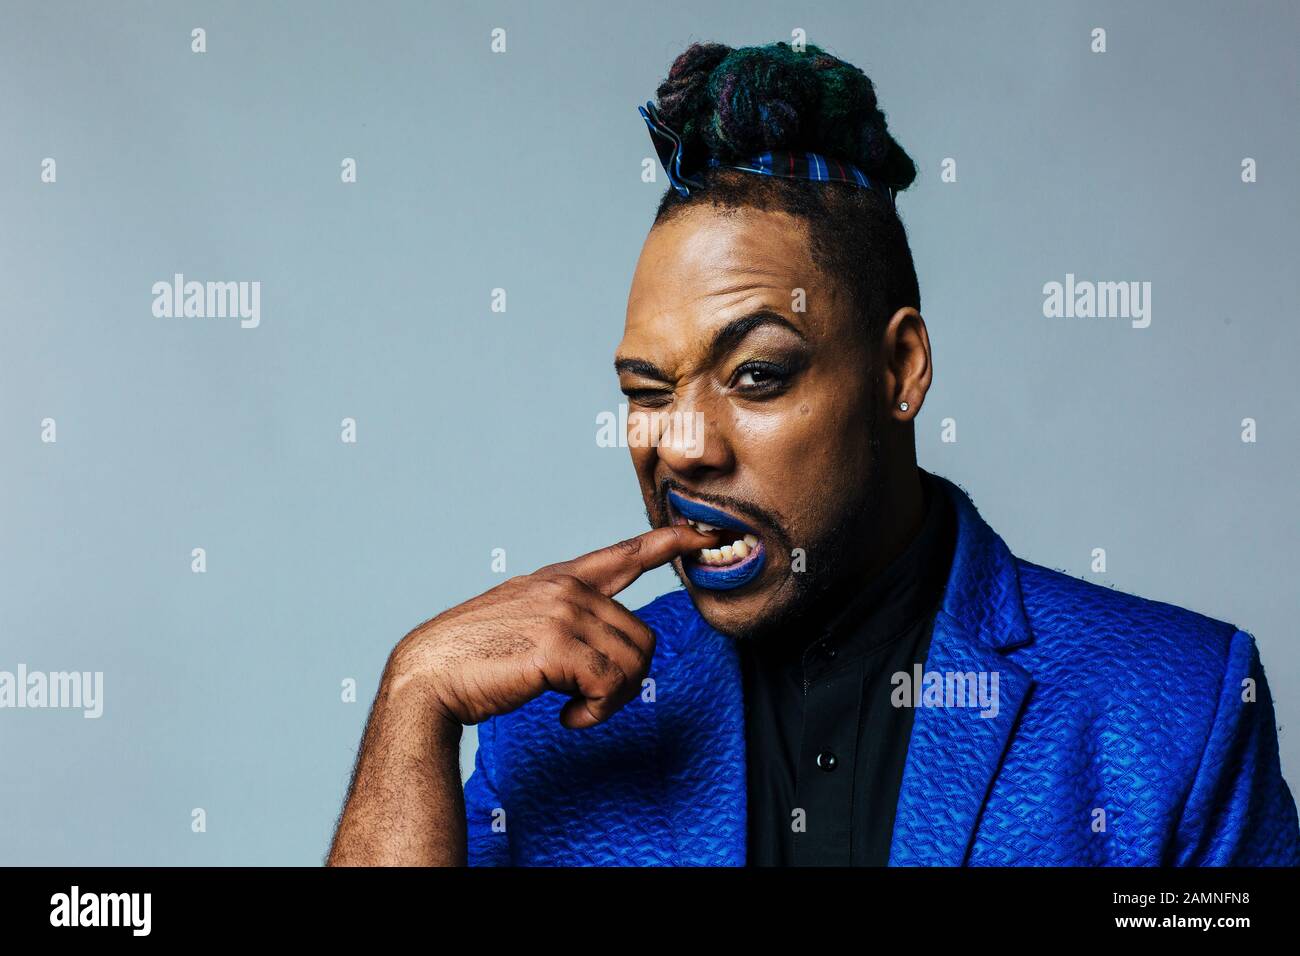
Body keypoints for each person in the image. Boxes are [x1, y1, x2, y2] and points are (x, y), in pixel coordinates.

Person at [327, 41, 1298, 866]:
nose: (682, 446)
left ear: (899, 369)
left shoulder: (1171, 712)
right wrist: (412, 696)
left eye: (755, 376)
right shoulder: (553, 724)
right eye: (646, 391)